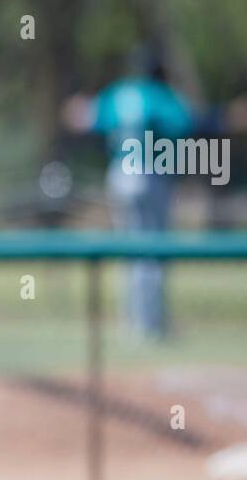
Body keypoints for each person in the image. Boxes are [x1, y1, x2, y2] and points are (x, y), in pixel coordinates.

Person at [63, 46, 193, 339]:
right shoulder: (162, 95)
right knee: (155, 250)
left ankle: (132, 321)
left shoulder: (118, 93)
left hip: (120, 175)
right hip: (151, 175)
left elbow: (82, 118)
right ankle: (151, 323)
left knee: (130, 251)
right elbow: (187, 123)